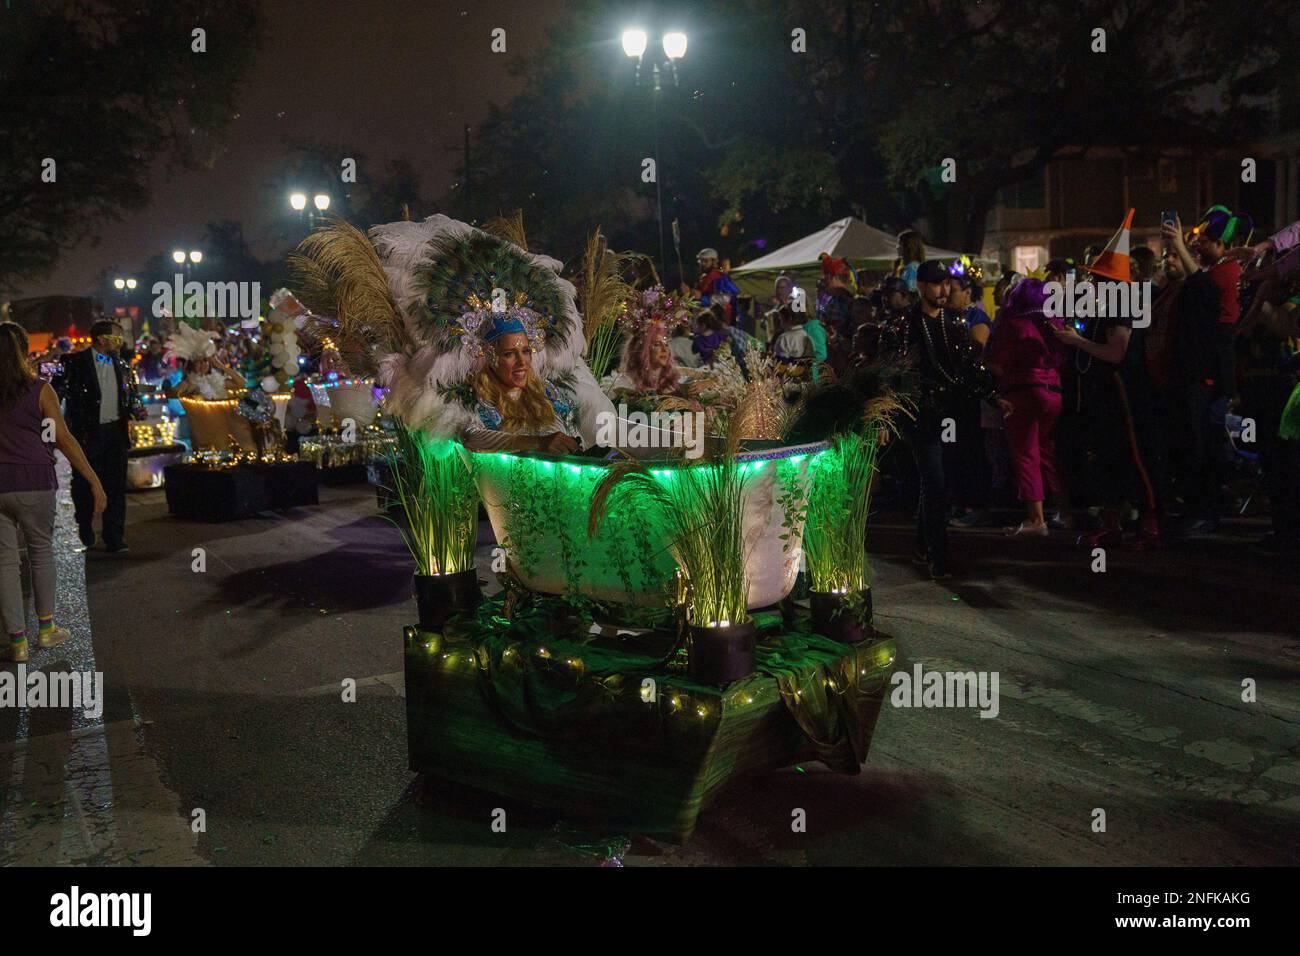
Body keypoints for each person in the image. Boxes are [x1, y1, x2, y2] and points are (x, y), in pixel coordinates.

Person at [879, 259, 1013, 580]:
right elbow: (887, 374)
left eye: (947, 283)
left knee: (937, 482)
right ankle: (937, 557)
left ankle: (923, 547)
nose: (944, 289)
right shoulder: (902, 326)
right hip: (918, 414)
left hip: (950, 413)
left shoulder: (955, 322)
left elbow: (968, 366)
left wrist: (993, 396)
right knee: (935, 480)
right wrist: (884, 416)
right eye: (937, 283)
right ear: (921, 286)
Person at [1, 322, 106, 662]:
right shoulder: (40, 390)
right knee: (40, 552)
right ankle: (46, 630)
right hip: (34, 481)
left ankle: (17, 641)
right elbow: (64, 439)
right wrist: (93, 479)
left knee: (4, 562)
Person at [1160, 208, 1250, 536]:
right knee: (1190, 443)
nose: (1201, 245)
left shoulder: (1226, 272)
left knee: (1203, 446)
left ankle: (1205, 513)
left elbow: (1201, 289)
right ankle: (1194, 507)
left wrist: (1181, 249)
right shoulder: (1213, 268)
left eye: (1209, 242)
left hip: (1208, 370)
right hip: (1195, 369)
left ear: (1226, 247)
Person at [984, 280, 1067, 536]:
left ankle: (1036, 520)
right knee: (1048, 452)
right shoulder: (1055, 322)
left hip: (1024, 391)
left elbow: (998, 365)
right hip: (1054, 392)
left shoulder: (1012, 324)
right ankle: (1065, 512)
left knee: (1025, 453)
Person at [53, 319, 139, 553]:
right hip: (86, 434)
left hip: (115, 433)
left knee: (116, 485)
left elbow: (130, 394)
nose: (121, 342)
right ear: (102, 339)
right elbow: (53, 390)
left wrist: (134, 407)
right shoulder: (72, 362)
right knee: (83, 484)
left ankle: (114, 536)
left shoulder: (122, 364)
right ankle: (84, 530)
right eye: (117, 338)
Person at [460, 315, 582, 455]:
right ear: (491, 358)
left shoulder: (548, 393)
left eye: (526, 351)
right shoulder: (479, 400)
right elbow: (470, 437)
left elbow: (576, 438)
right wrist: (538, 443)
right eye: (509, 354)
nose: (522, 362)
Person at [694, 248, 740, 317]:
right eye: (701, 261)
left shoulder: (721, 277)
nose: (703, 264)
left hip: (717, 318)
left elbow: (727, 298)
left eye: (706, 261)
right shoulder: (702, 278)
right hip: (702, 318)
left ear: (714, 262)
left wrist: (702, 298)